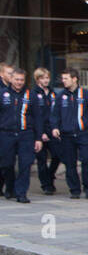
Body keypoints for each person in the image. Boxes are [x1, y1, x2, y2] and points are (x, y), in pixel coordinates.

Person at [50, 70, 88, 199]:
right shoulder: (60, 96)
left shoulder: (86, 94)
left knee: (87, 159)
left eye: (66, 78)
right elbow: (55, 115)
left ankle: (87, 186)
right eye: (63, 78)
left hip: (83, 133)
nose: (63, 81)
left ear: (74, 79)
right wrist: (55, 127)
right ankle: (74, 189)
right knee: (70, 163)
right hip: (67, 135)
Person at [0, 68, 40, 203]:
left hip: (26, 134)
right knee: (6, 164)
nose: (19, 82)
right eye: (16, 79)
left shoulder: (31, 95)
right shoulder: (2, 94)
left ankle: (21, 193)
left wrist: (38, 138)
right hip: (6, 134)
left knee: (25, 164)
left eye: (21, 80)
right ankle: (10, 187)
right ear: (11, 79)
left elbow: (37, 118)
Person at [31, 68, 60, 195]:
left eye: (47, 78)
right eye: (43, 78)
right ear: (37, 80)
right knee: (41, 160)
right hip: (39, 131)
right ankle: (46, 184)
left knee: (57, 155)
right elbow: (34, 115)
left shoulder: (53, 93)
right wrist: (40, 133)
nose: (46, 80)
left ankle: (50, 175)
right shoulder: (33, 93)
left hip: (52, 129)